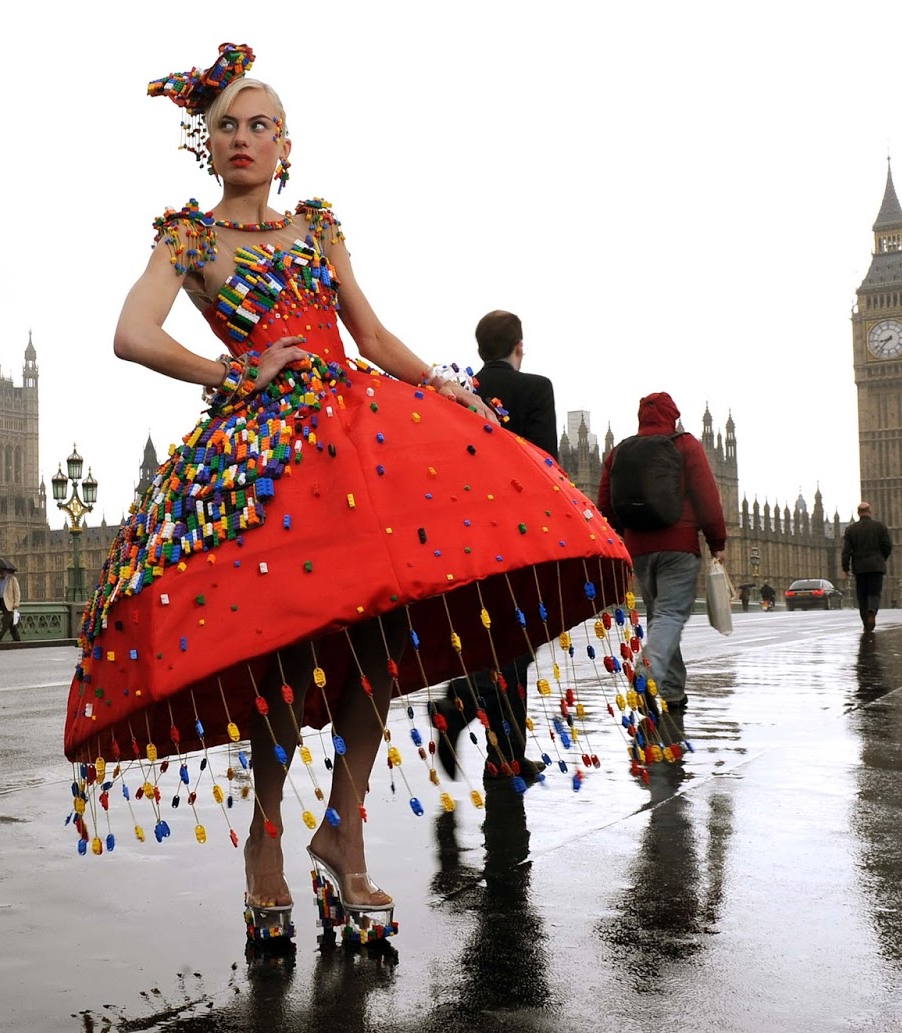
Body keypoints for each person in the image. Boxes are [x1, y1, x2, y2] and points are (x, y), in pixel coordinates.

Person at [64, 43, 630, 951]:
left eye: (259, 125)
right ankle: (265, 832)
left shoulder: (319, 226)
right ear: (205, 146)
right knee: (286, 650)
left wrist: (443, 384)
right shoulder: (189, 239)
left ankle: (345, 822)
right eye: (226, 127)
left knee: (376, 634)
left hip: (360, 446)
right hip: (269, 463)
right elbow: (132, 333)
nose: (242, 138)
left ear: (286, 144)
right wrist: (232, 370)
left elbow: (366, 330)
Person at [430, 310, 558, 784]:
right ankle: (463, 707)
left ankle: (503, 752)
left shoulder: (463, 392)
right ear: (518, 346)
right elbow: (547, 459)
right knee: (519, 638)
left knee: (497, 635)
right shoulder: (536, 388)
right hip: (521, 527)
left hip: (471, 533)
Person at [597, 392, 727, 716]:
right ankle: (646, 675)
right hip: (679, 546)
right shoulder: (685, 445)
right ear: (672, 415)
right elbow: (707, 496)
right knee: (670, 617)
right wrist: (717, 541)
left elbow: (603, 505)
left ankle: (673, 693)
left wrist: (625, 534)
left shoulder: (620, 451)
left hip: (638, 550)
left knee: (661, 619)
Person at [841, 502, 892, 633]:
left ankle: (865, 621)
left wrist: (845, 568)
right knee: (874, 593)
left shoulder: (851, 529)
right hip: (876, 567)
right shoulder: (880, 527)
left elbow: (846, 551)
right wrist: (881, 558)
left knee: (862, 595)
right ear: (870, 511)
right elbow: (887, 546)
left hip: (859, 568)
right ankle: (872, 611)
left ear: (858, 513)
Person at [0, 566, 22, 642]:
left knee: (6, 620)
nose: (2, 573)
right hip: (2, 602)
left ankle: (0, 636)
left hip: (10, 603)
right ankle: (17, 638)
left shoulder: (12, 579)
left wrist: (16, 603)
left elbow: (17, 592)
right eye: (1, 571)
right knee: (10, 622)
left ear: (7, 571)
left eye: (3, 571)